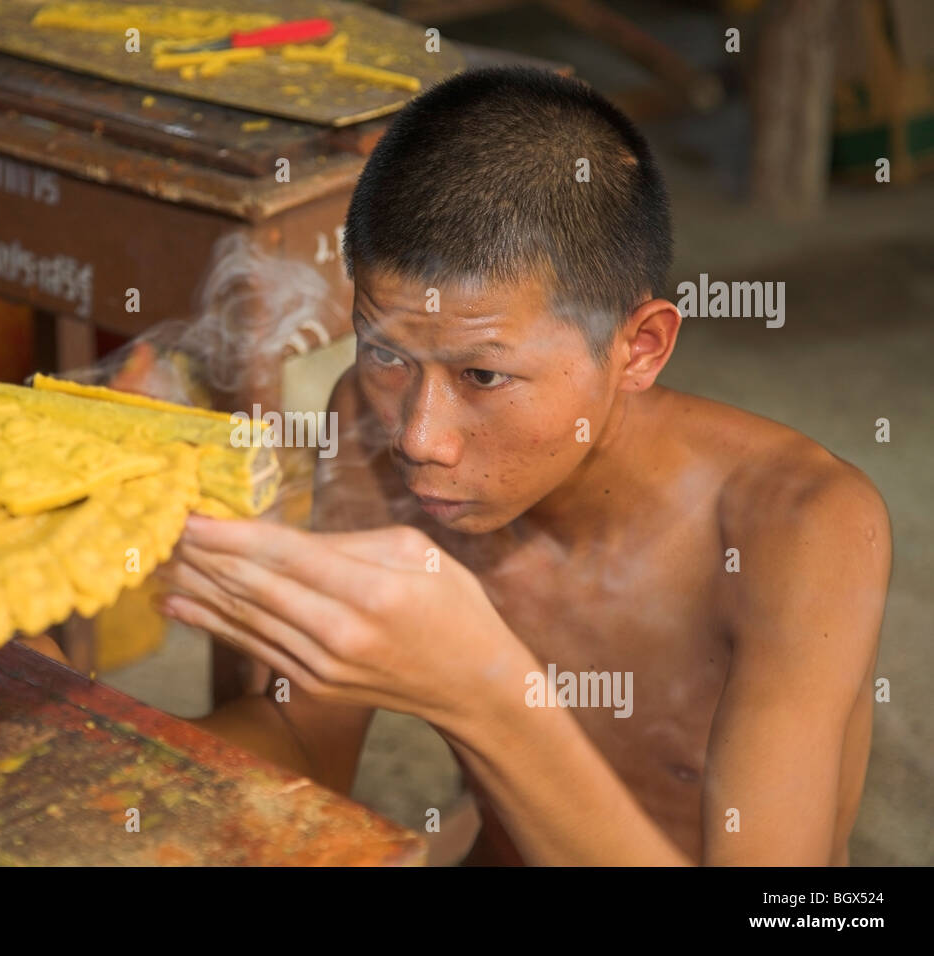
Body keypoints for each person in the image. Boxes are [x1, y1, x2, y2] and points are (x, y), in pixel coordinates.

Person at [155, 68, 892, 865]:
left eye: (483, 376)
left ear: (639, 347)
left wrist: (488, 694)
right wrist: (73, 727)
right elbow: (308, 741)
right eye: (386, 353)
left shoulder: (805, 526)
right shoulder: (372, 418)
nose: (419, 438)